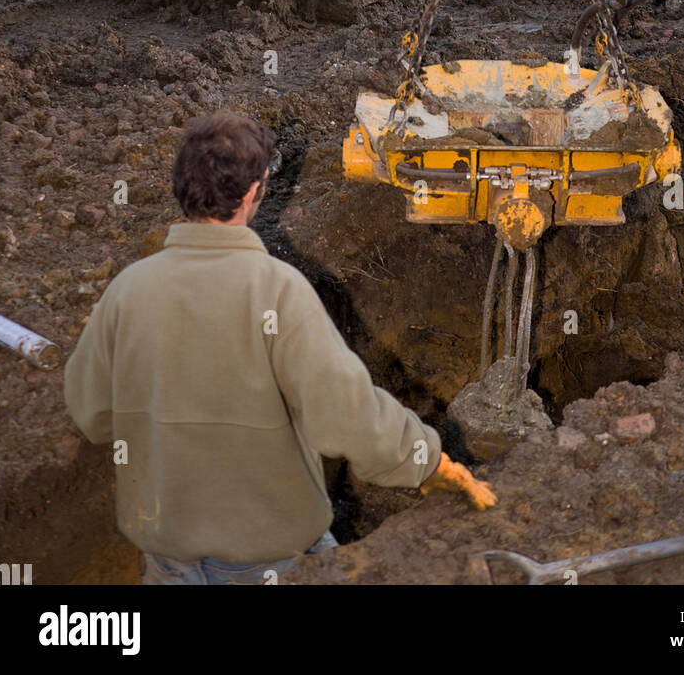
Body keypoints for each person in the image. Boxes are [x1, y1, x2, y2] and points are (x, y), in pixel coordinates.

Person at [64, 111, 494, 586]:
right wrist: (430, 462)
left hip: (167, 556)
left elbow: (92, 414)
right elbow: (346, 415)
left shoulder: (129, 290)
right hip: (271, 559)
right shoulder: (277, 291)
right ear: (253, 193)